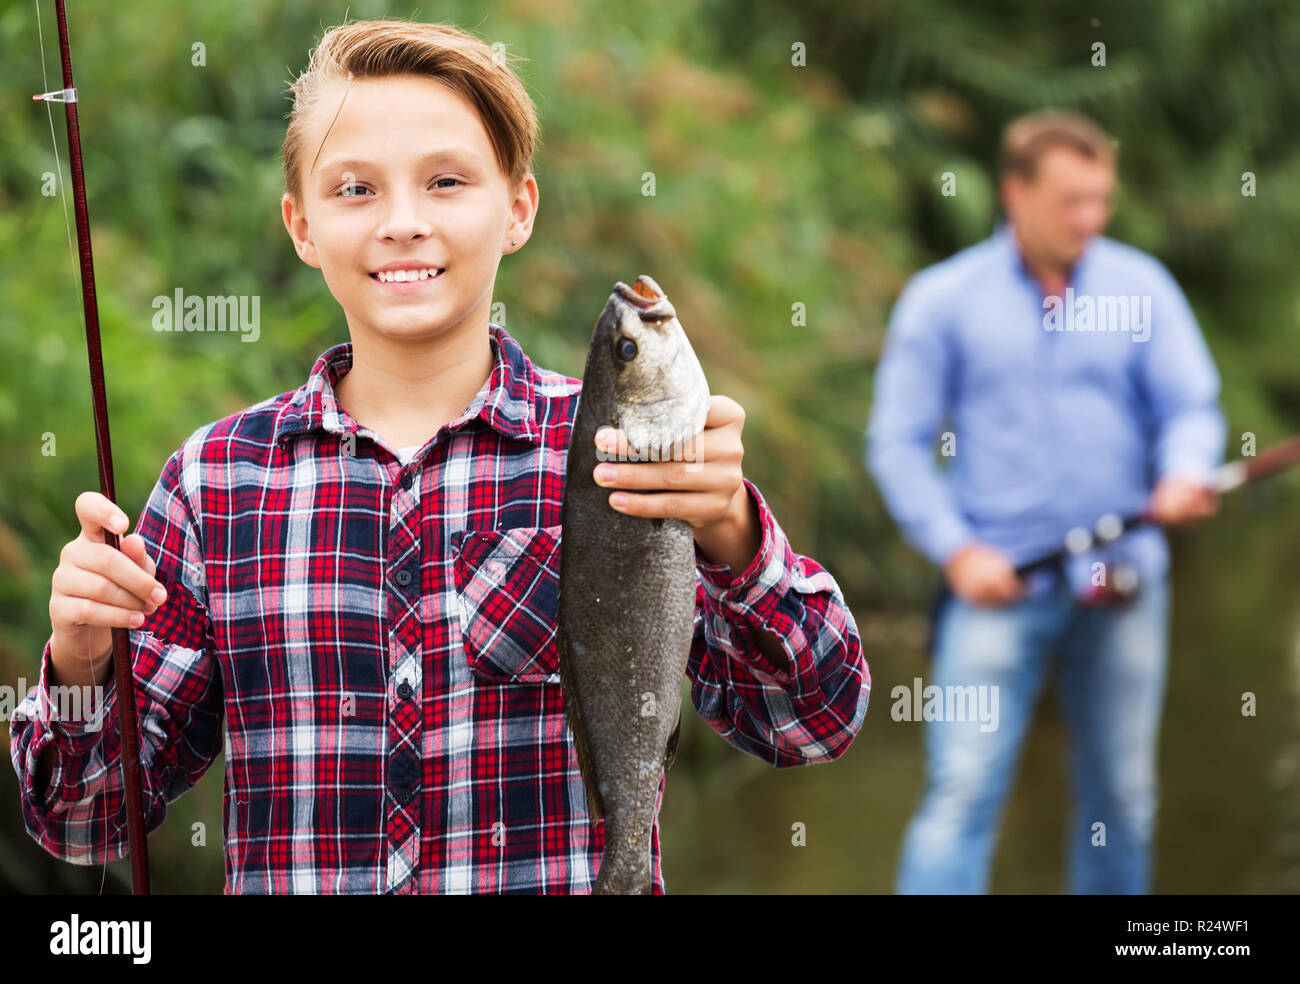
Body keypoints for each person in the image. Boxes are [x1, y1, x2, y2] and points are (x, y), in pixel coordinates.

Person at [11, 19, 869, 894]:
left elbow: (815, 720)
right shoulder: (216, 480)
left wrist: (729, 531)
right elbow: (84, 821)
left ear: (518, 209)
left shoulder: (628, 452)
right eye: (355, 190)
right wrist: (82, 662)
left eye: (447, 182)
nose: (404, 223)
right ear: (302, 228)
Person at [866, 110, 1225, 893]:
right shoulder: (943, 299)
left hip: (1124, 582)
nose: (1089, 220)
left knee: (1124, 798)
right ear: (1015, 192)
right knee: (960, 793)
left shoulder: (1144, 289)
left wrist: (1184, 468)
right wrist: (957, 551)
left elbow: (1190, 408)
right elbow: (897, 444)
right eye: (1071, 201)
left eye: (1101, 200)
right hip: (998, 585)